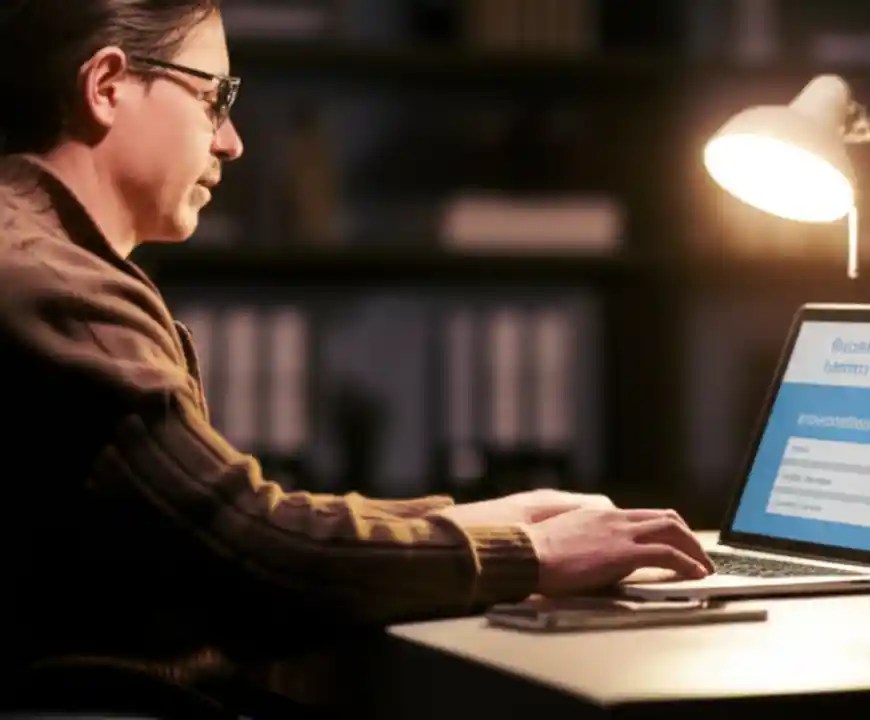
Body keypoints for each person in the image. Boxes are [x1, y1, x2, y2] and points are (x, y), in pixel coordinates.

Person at [0, 0, 711, 714]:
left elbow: (204, 528)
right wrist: (528, 556)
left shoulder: (38, 259)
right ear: (107, 86)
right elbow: (244, 543)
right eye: (214, 97)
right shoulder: (58, 289)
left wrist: (482, 521)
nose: (231, 142)